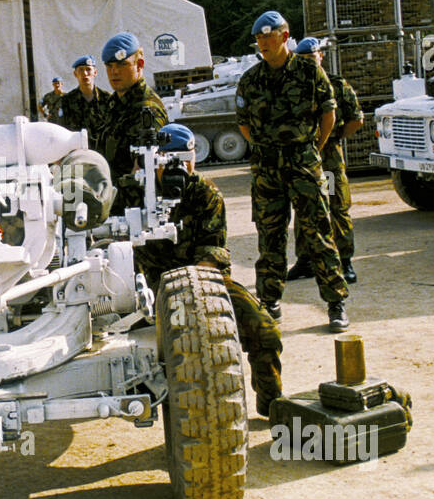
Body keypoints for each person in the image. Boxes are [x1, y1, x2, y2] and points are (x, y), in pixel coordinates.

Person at [136, 124, 284, 416]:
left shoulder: (206, 195)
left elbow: (211, 257)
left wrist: (186, 300)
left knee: (265, 331)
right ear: (155, 160)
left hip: (201, 280)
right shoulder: (134, 193)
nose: (180, 168)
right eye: (170, 160)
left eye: (186, 159)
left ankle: (272, 405)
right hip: (147, 287)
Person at [234, 11, 349, 331]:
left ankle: (336, 302)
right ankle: (269, 302)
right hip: (266, 170)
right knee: (269, 237)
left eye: (267, 38)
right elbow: (243, 125)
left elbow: (329, 115)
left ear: (284, 37)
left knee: (318, 233)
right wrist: (266, 148)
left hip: (305, 165)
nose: (262, 45)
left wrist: (311, 147)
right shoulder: (251, 79)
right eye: (258, 39)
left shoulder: (309, 72)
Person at [286, 37, 361, 283]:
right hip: (303, 157)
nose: (309, 62)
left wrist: (335, 137)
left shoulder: (337, 86)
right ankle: (305, 260)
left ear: (321, 56)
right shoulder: (292, 87)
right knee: (304, 207)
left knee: (337, 206)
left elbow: (356, 119)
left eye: (313, 57)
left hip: (327, 158)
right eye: (303, 59)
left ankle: (345, 261)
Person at [95, 32, 168, 210]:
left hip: (135, 210)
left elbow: (142, 171)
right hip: (111, 202)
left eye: (122, 65)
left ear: (139, 64)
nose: (114, 72)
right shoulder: (115, 103)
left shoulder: (147, 109)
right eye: (109, 66)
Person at [58, 55, 110, 147]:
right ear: (75, 74)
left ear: (95, 72)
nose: (85, 73)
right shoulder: (67, 100)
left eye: (88, 69)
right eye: (81, 70)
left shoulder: (108, 99)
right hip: (78, 152)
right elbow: (61, 131)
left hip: (103, 153)